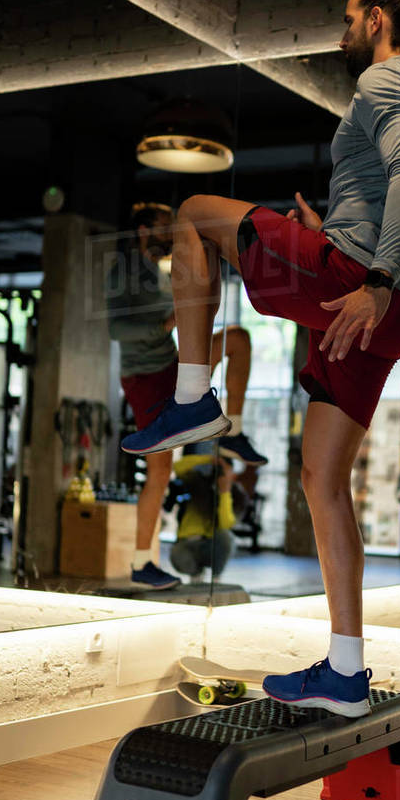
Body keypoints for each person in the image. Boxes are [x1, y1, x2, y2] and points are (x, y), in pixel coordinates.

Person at [123, 0, 400, 716]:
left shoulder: (383, 79)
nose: (342, 35)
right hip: (392, 307)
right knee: (323, 482)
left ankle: (192, 398)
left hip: (358, 286)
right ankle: (344, 672)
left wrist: (373, 274)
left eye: (348, 19)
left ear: (377, 20)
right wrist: (341, 239)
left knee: (195, 213)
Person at [106, 202, 266, 591]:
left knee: (239, 340)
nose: (173, 233)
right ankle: (142, 563)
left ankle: (234, 430)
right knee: (159, 472)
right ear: (144, 231)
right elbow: (115, 329)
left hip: (172, 364)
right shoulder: (124, 272)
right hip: (144, 376)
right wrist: (164, 325)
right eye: (166, 226)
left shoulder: (159, 272)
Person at [170, 454, 238, 579]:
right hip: (187, 543)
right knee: (177, 554)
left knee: (226, 537)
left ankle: (216, 578)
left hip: (210, 545)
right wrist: (210, 459)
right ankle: (196, 575)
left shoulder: (235, 494)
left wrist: (224, 492)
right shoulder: (197, 483)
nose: (221, 475)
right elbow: (177, 466)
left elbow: (226, 524)